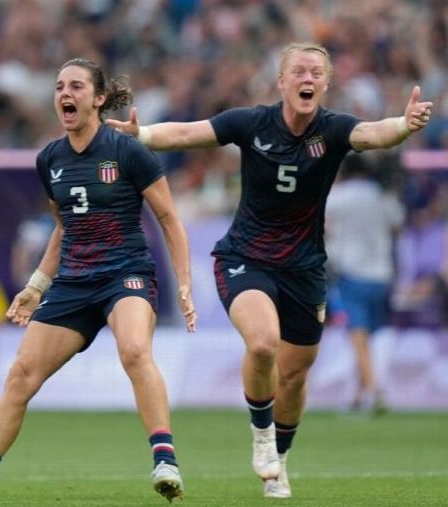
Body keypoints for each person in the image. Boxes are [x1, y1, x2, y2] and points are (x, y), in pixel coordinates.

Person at [106, 41, 433, 499]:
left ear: (325, 83)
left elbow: (375, 134)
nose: (307, 79)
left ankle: (279, 458)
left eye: (316, 73)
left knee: (295, 375)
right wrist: (140, 136)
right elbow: (184, 135)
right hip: (246, 258)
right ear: (281, 82)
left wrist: (404, 123)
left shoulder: (333, 129)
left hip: (304, 269)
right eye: (298, 71)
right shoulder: (251, 122)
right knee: (262, 344)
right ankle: (261, 433)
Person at [0, 57, 197, 505]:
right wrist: (35, 286)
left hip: (125, 272)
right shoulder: (49, 158)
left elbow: (169, 217)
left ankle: (164, 459)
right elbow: (64, 227)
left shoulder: (127, 150)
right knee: (20, 376)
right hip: (72, 281)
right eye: (58, 87)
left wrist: (184, 284)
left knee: (133, 350)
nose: (65, 95)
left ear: (98, 98)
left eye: (75, 86)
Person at [325, 154, 404, 413]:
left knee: (357, 335)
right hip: (382, 272)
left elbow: (322, 224)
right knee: (368, 335)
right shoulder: (383, 196)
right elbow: (397, 226)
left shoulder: (338, 196)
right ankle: (360, 395)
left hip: (352, 271)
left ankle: (374, 389)